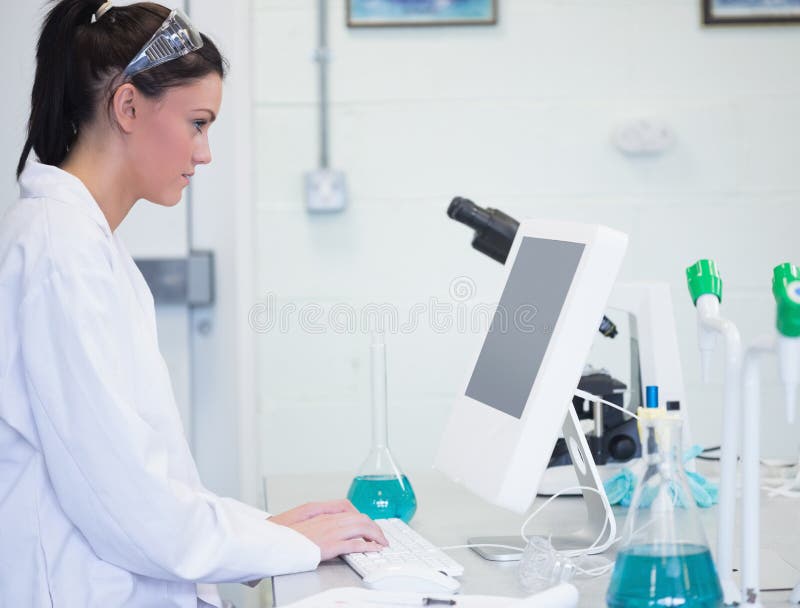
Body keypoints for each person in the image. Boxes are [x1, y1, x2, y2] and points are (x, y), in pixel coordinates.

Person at [0, 1, 387, 606]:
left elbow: (143, 477)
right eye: (198, 123)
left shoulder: (83, 241)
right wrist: (284, 545)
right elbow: (124, 502)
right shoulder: (62, 253)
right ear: (127, 106)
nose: (204, 154)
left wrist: (260, 531)